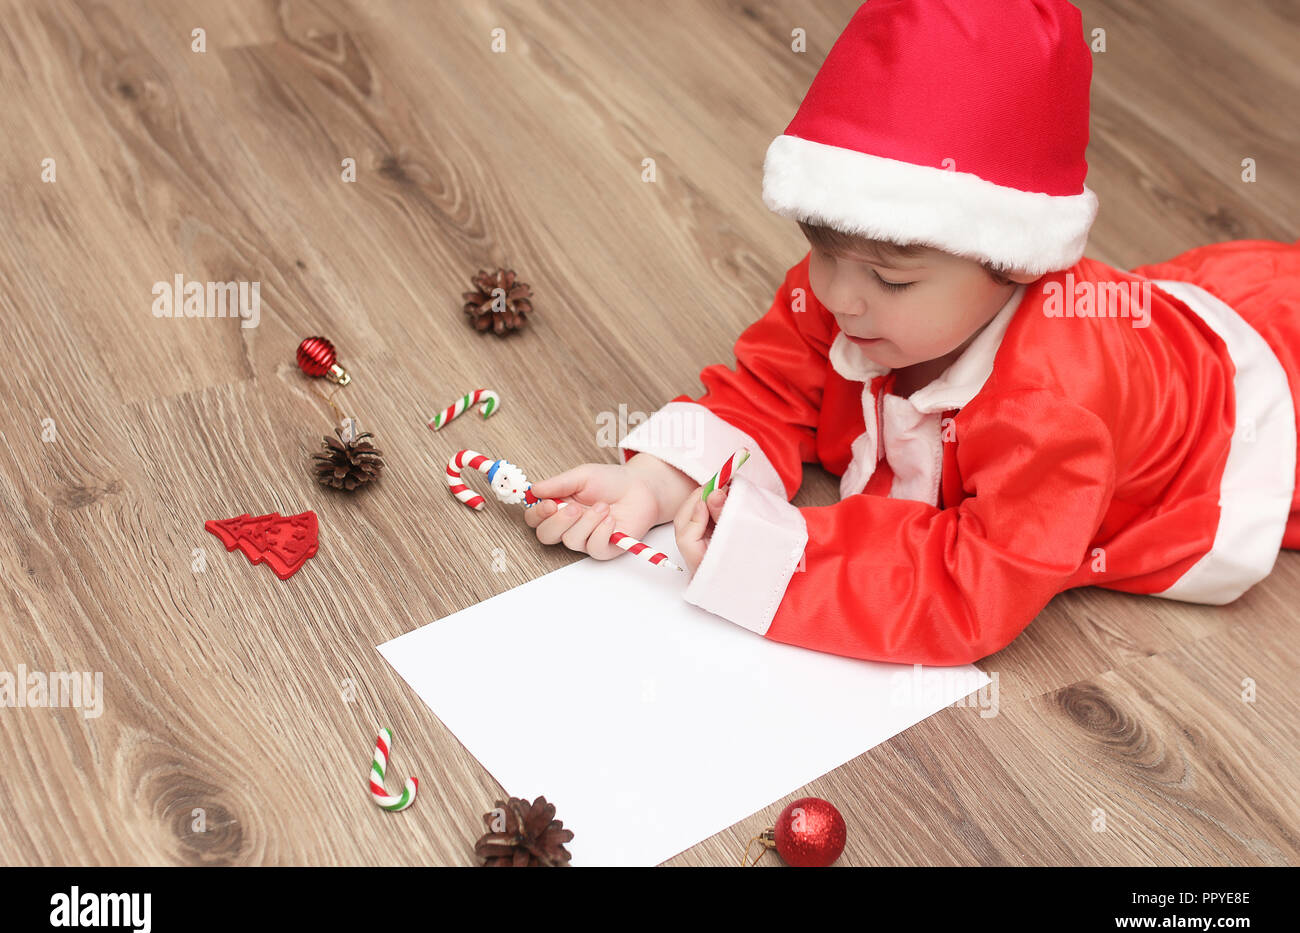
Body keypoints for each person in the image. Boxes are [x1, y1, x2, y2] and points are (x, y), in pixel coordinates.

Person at [523, 0, 1300, 665]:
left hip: (1258, 417)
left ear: (1018, 264)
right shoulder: (849, 285)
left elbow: (973, 583)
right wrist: (659, 482)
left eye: (890, 280)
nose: (837, 296)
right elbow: (769, 391)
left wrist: (773, 560)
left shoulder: (1058, 405)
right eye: (823, 251)